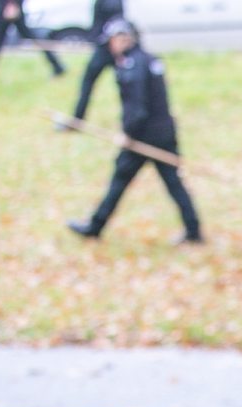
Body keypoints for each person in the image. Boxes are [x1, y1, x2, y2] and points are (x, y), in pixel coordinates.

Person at [65, 19, 202, 244]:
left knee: (120, 181)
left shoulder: (132, 66)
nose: (110, 46)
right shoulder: (149, 60)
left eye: (113, 40)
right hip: (165, 132)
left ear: (124, 39)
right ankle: (193, 229)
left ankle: (95, 226)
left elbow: (137, 109)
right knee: (172, 183)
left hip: (144, 137)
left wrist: (127, 134)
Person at [0, 0, 65, 82]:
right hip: (8, 4)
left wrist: (11, 4)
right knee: (26, 35)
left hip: (8, 5)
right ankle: (57, 66)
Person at [66, 0, 124, 124]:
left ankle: (77, 119)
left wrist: (99, 39)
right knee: (126, 85)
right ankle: (77, 119)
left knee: (88, 82)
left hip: (106, 49)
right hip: (108, 47)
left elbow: (114, 25)